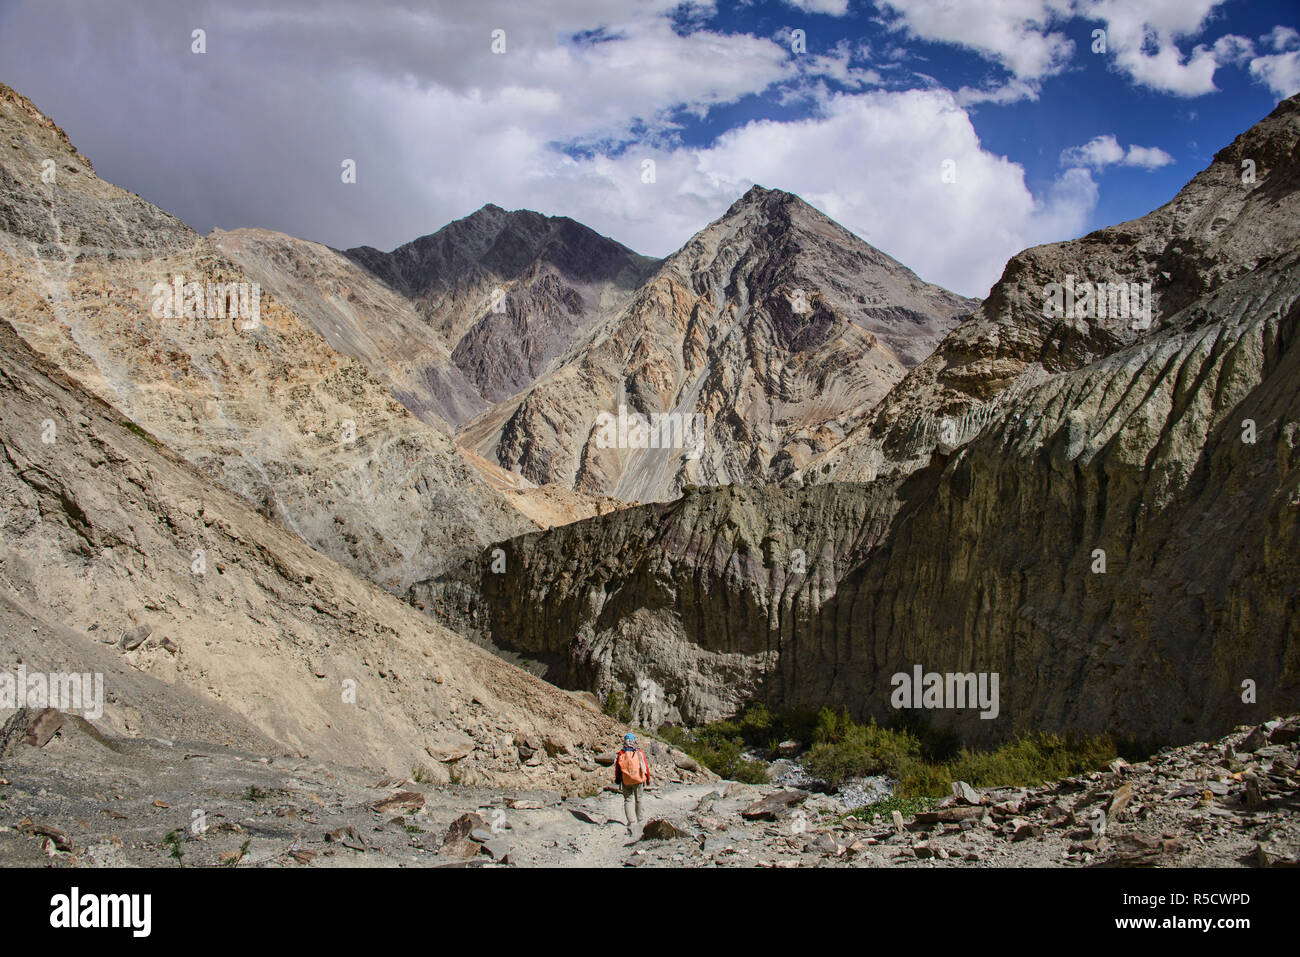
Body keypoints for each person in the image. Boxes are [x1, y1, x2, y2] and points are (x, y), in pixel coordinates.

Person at [614, 732, 651, 828]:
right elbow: (645, 766)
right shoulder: (639, 752)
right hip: (638, 779)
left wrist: (618, 779)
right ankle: (640, 820)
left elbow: (618, 769)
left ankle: (631, 822)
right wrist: (647, 779)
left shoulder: (621, 753)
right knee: (639, 799)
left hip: (626, 780)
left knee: (628, 800)